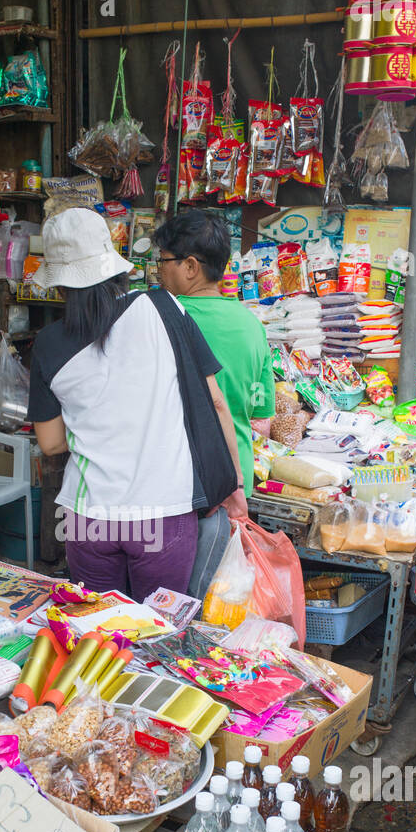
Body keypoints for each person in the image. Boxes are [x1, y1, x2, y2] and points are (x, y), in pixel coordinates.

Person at [27, 208, 246, 601]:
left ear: (60, 284)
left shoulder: (47, 344)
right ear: (114, 268)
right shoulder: (163, 308)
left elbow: (51, 444)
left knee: (99, 634)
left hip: (90, 518)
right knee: (160, 635)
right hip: (163, 515)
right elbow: (215, 403)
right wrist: (234, 485)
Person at [154, 210, 276, 597]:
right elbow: (262, 422)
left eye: (162, 261)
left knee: (160, 604)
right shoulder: (252, 325)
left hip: (168, 487)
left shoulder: (158, 316)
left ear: (190, 267)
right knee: (216, 604)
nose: (158, 271)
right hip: (231, 490)